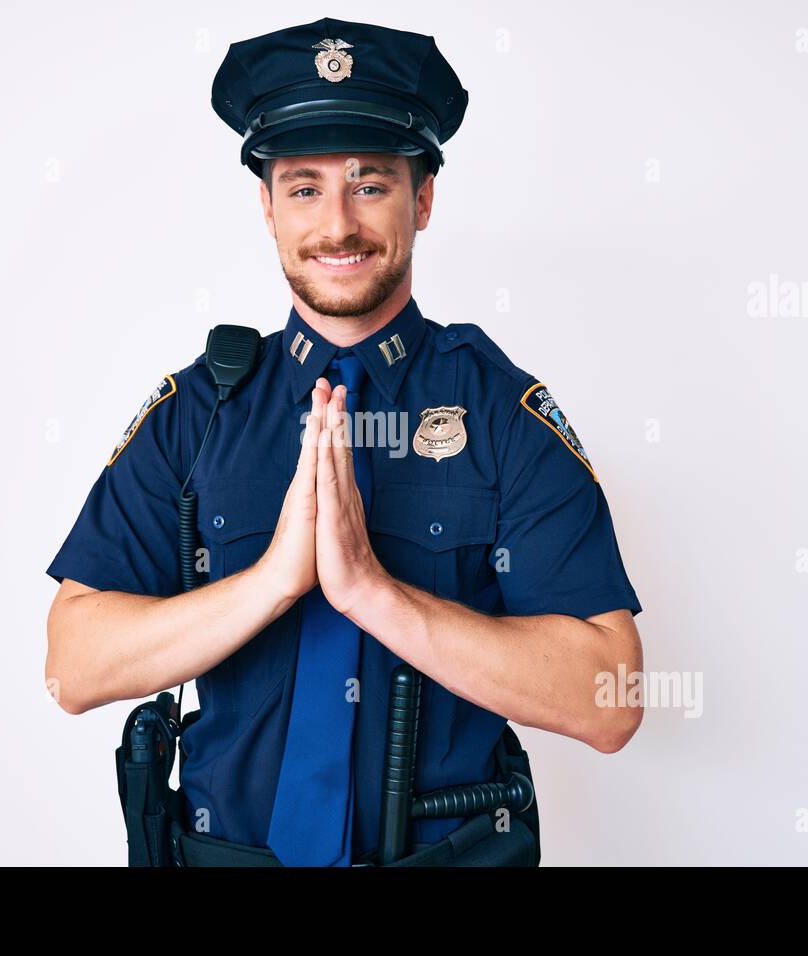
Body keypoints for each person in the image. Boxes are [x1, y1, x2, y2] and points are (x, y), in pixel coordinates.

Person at [45, 16, 644, 867]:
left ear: (422, 198)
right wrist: (271, 584)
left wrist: (373, 594)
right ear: (267, 207)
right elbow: (72, 663)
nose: (337, 224)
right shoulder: (200, 410)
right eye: (303, 187)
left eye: (369, 185)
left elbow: (610, 699)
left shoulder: (502, 411)